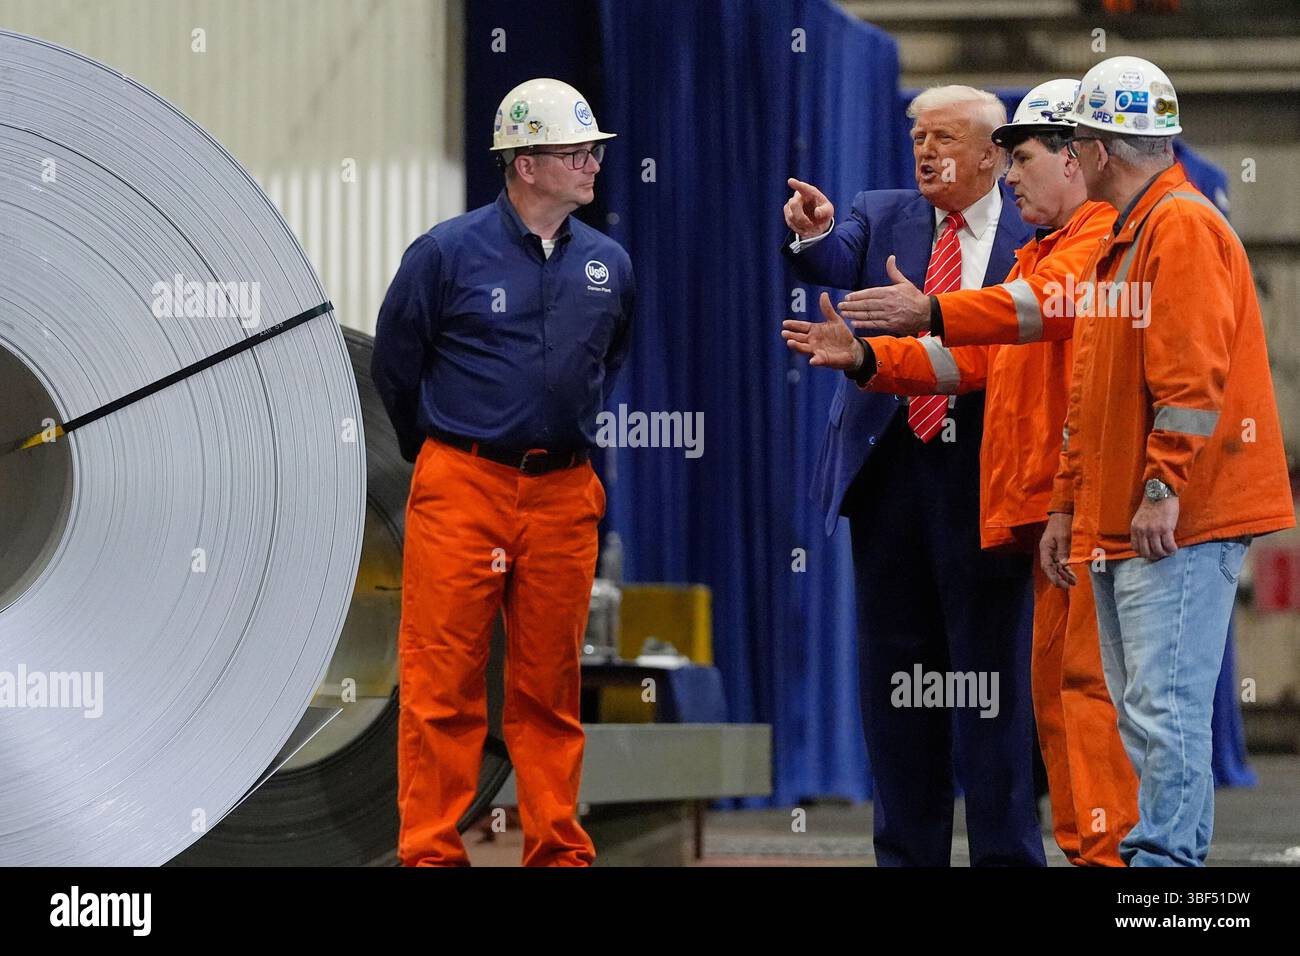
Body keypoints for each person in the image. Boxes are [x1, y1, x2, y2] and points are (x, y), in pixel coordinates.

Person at [783, 81, 1139, 866]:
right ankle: (907, 856)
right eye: (917, 138)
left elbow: (1014, 322)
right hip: (892, 480)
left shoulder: (1054, 232)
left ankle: (1013, 856)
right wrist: (821, 250)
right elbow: (842, 258)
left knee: (1000, 688)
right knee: (899, 684)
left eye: (943, 139)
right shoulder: (887, 210)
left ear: (998, 156)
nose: (924, 151)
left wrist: (928, 316)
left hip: (994, 481)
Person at [371, 77, 634, 867]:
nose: (592, 164)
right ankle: (431, 853)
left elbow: (607, 365)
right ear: (524, 164)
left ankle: (558, 850)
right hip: (462, 483)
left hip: (564, 490)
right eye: (575, 152)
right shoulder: (445, 254)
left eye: (593, 150)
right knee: (441, 681)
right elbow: (395, 366)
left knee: (550, 686)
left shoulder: (609, 264)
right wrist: (454, 448)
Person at [1040, 56, 1294, 866]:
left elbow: (1191, 376)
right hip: (1133, 516)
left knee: (1163, 704)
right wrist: (1069, 503)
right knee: (1143, 706)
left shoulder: (1176, 227)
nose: (1071, 158)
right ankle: (1161, 861)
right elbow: (1094, 391)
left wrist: (1161, 487)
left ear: (1102, 150)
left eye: (1075, 142)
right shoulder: (1133, 234)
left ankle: (1165, 871)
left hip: (1175, 517)